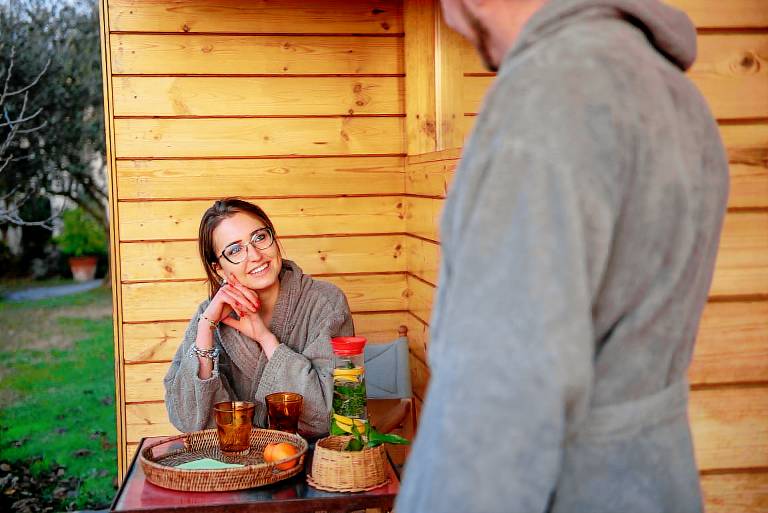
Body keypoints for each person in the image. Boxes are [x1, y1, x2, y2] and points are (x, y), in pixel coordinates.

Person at [396, 1, 728, 512]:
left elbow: (499, 396)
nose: (450, 19)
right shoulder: (676, 91)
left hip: (569, 489)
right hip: (656, 481)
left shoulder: (544, 100)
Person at [164, 198, 354, 436]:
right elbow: (189, 420)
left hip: (313, 460)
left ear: (274, 239)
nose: (254, 255)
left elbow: (327, 415)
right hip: (236, 461)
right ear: (219, 268)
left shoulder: (325, 302)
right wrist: (205, 329)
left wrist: (266, 338)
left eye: (259, 238)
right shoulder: (210, 314)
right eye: (235, 250)